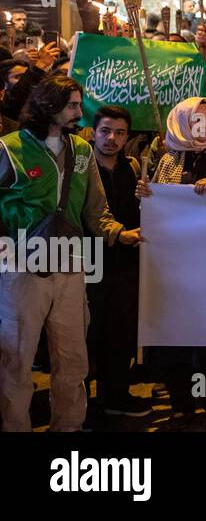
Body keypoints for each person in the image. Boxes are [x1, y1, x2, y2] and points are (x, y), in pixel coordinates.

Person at [0, 77, 140, 432]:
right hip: (19, 267)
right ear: (49, 106)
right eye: (73, 105)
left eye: (79, 104)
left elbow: (96, 209)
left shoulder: (81, 150)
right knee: (16, 360)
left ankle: (69, 428)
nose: (80, 112)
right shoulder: (9, 148)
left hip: (71, 265)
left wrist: (118, 233)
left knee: (73, 360)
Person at [136, 96, 206, 427]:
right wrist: (145, 194)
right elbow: (156, 205)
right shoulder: (166, 157)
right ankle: (181, 400)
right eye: (199, 119)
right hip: (176, 262)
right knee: (178, 333)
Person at [85, 104, 150, 420]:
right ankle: (83, 405)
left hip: (125, 263)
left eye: (120, 132)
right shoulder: (81, 166)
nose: (112, 138)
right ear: (94, 132)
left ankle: (116, 396)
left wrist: (145, 198)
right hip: (88, 262)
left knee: (121, 332)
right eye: (106, 131)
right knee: (86, 336)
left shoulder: (133, 168)